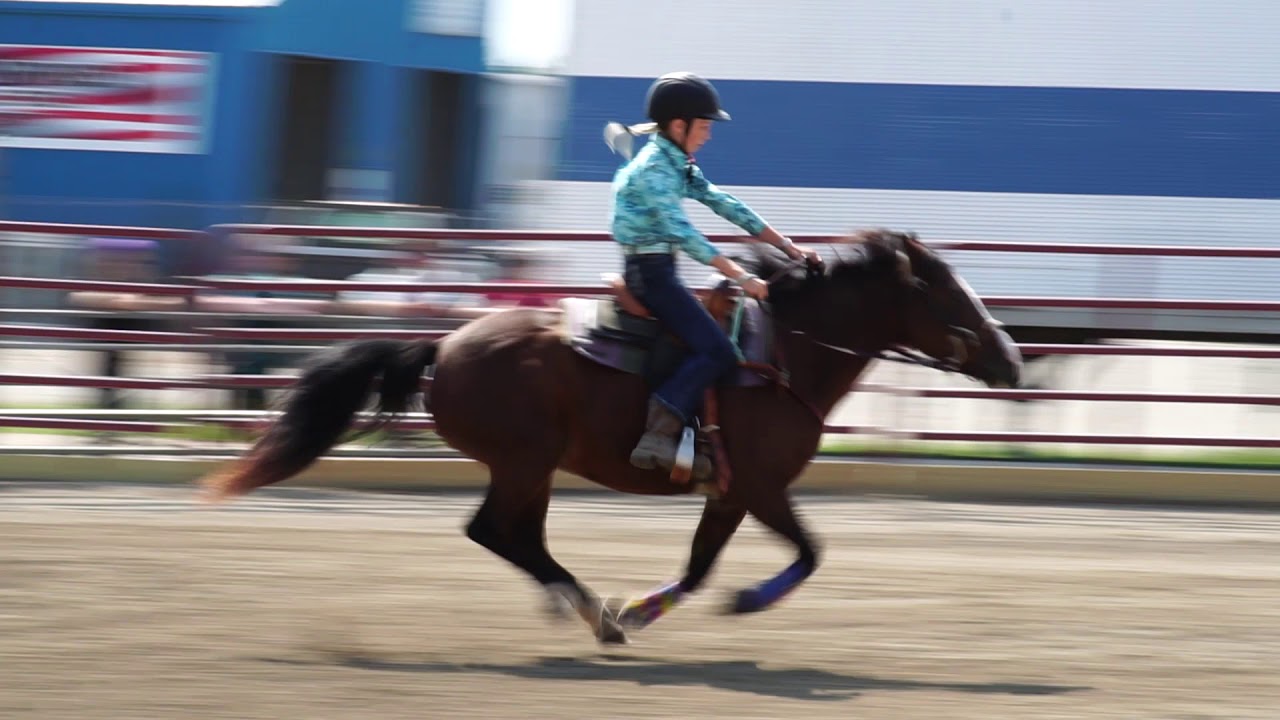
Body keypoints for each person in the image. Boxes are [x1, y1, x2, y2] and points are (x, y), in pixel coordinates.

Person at [606, 71, 821, 475]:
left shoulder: (676, 163)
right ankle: (659, 430)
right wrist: (742, 277)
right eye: (703, 126)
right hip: (650, 275)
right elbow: (682, 232)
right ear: (678, 126)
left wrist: (788, 246)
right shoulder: (653, 169)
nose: (707, 135)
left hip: (660, 269)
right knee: (719, 350)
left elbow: (723, 202)